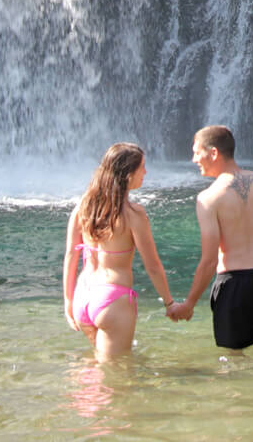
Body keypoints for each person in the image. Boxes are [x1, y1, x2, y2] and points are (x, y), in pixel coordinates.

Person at [166, 125, 253, 353]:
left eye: (197, 152)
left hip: (232, 285)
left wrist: (189, 303)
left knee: (235, 360)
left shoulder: (208, 198)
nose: (193, 159)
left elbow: (208, 261)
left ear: (214, 153)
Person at [63, 142, 176, 362]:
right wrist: (169, 303)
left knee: (97, 365)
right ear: (127, 174)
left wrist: (68, 301)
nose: (146, 172)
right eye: (142, 167)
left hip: (82, 297)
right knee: (115, 377)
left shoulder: (82, 208)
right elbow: (152, 265)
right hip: (111, 300)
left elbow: (70, 256)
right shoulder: (134, 214)